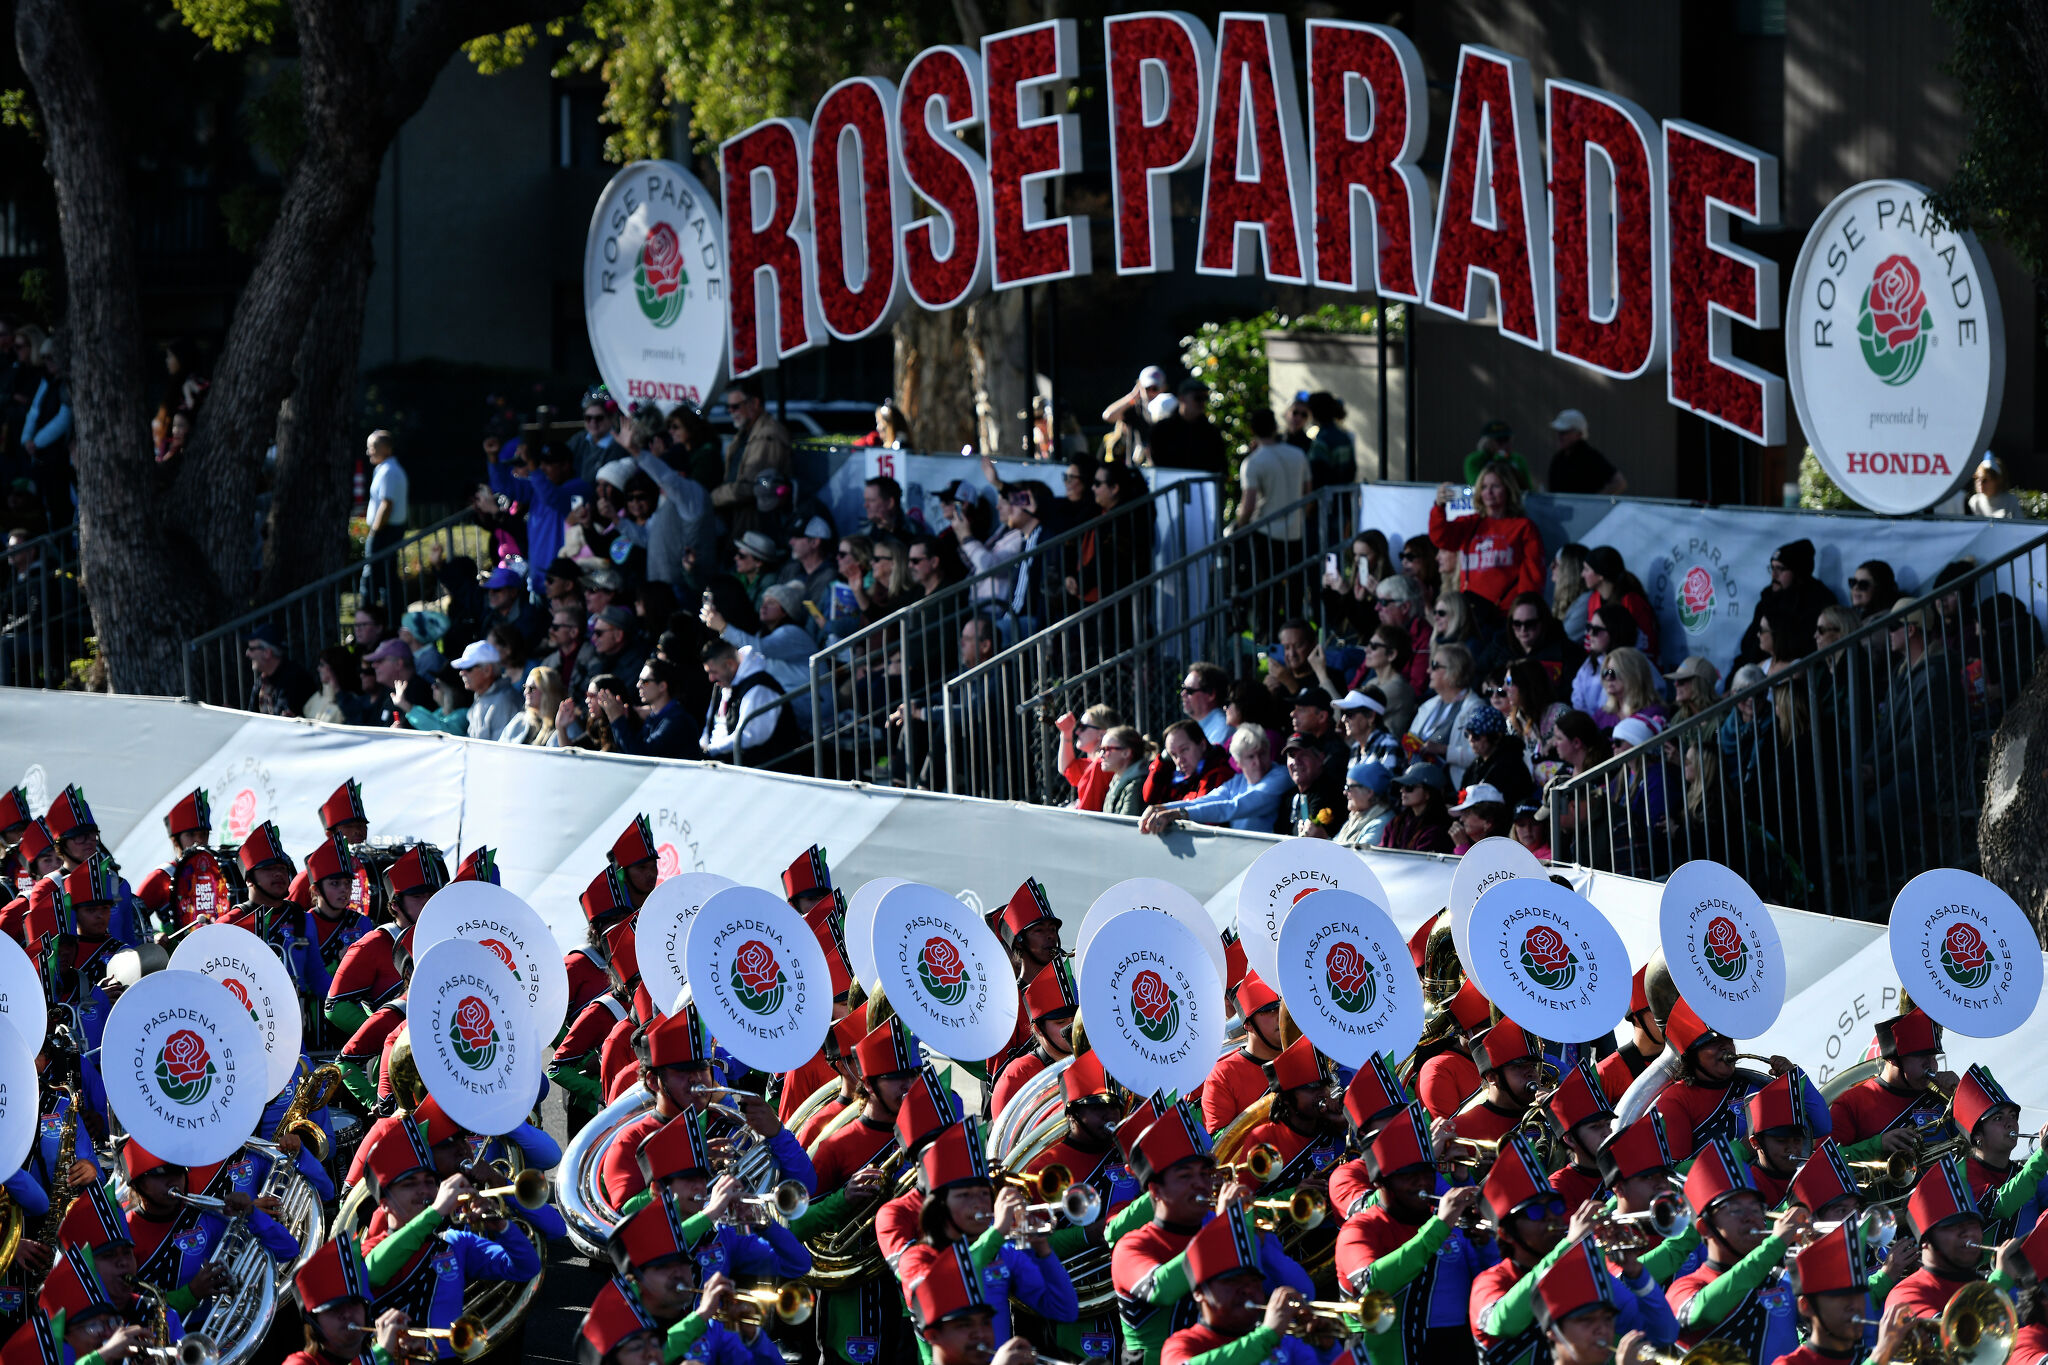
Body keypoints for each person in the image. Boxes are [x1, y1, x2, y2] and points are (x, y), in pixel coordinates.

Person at [1111, 1099, 1314, 1365]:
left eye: (1205, 1174)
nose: (1201, 1185)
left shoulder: (1221, 1224)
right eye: (1185, 1176)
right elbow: (1162, 1289)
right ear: (1156, 1191)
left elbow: (1303, 1290)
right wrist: (1224, 1230)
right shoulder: (1131, 1247)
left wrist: (1251, 1235)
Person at [1141, 723, 1291, 835]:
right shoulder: (1237, 782)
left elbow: (1232, 807)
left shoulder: (1282, 775)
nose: (1257, 762)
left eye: (1262, 754)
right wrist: (1163, 808)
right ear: (1238, 762)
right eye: (1250, 757)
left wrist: (1179, 813)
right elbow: (1205, 801)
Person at [1429, 466, 1544, 610]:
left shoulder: (1524, 527)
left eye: (1495, 486)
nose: (1488, 492)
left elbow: (1533, 575)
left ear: (1508, 489)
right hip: (1472, 612)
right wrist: (1439, 507)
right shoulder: (1469, 523)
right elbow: (1440, 538)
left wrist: (1523, 609)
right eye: (1483, 487)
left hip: (1505, 614)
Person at [1737, 541, 1837, 673]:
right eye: (1772, 568)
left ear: (1798, 572)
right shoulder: (1767, 599)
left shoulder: (1819, 601)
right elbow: (1750, 645)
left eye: (1780, 569)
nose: (1774, 575)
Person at [699, 637, 798, 764]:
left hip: (765, 768)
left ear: (730, 664)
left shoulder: (759, 687)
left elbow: (749, 736)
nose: (711, 678)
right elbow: (711, 726)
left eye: (713, 672)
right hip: (726, 761)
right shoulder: (724, 683)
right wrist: (702, 748)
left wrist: (710, 751)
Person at [713, 380, 792, 538]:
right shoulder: (746, 433)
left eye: (735, 406)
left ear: (754, 403)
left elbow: (754, 486)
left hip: (757, 526)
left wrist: (713, 497)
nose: (731, 411)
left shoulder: (768, 435)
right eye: (728, 407)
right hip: (740, 522)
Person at [1410, 644, 1486, 785]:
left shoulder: (1475, 708)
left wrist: (1444, 750)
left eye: (1434, 665)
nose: (1428, 670)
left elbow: (1481, 755)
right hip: (1416, 782)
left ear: (1454, 672)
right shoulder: (1428, 705)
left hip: (1451, 787)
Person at [606, 657, 696, 759]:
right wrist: (623, 721)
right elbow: (631, 750)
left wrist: (617, 719)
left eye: (645, 682)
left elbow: (641, 756)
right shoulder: (655, 716)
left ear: (662, 686)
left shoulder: (677, 720)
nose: (638, 685)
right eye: (639, 680)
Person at [360, 430, 409, 605]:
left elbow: (387, 504)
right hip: (386, 530)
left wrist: (374, 531)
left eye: (372, 447)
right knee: (386, 578)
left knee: (372, 577)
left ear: (385, 448)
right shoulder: (386, 469)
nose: (368, 452)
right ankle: (383, 622)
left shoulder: (389, 471)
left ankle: (369, 622)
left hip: (385, 532)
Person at [1582, 548, 1658, 657]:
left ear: (1600, 575)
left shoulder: (1631, 601)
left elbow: (1646, 648)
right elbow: (1590, 645)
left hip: (1627, 667)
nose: (1582, 574)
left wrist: (1609, 670)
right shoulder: (1594, 599)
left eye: (1586, 569)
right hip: (1602, 665)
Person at [1148, 379, 1227, 473]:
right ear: (1181, 398)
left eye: (1205, 398)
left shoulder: (1211, 433)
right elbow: (1158, 466)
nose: (1202, 403)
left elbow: (1221, 467)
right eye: (1197, 398)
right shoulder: (1162, 430)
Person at [451, 640, 519, 741]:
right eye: (461, 668)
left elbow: (500, 752)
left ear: (487, 670)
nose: (462, 673)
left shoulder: (504, 701)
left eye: (468, 668)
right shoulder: (481, 696)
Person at [1546, 410, 1626, 495]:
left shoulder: (1590, 457)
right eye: (1559, 432)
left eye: (1564, 432)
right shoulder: (1558, 459)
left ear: (1578, 434)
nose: (1560, 436)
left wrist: (1595, 502)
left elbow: (1620, 482)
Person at [245, 622, 317, 716]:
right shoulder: (263, 680)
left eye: (251, 649)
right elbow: (251, 716)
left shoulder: (295, 679)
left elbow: (282, 722)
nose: (247, 653)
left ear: (267, 653)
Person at [1380, 763, 1454, 852]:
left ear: (1428, 793)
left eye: (1409, 787)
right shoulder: (1397, 823)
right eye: (1402, 786)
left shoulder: (1437, 830)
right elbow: (1381, 850)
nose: (1402, 791)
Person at [1595, 648, 1667, 733]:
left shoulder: (1654, 714)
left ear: (1633, 674)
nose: (1608, 678)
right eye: (1606, 672)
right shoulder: (1601, 715)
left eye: (1613, 672)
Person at [1336, 760, 1398, 849]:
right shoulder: (1356, 817)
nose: (1345, 792)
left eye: (1349, 787)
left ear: (1369, 792)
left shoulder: (1381, 824)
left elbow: (1357, 859)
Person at [1305, 391, 1357, 487]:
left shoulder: (1321, 441)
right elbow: (1352, 470)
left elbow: (1317, 475)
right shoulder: (1344, 436)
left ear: (1314, 412)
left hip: (1327, 498)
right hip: (1343, 496)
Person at [1098, 726, 1153, 817]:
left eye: (1106, 749)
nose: (1101, 755)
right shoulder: (1117, 781)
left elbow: (1125, 827)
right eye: (1101, 749)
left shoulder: (1137, 786)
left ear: (1126, 753)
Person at [1968, 453, 2023, 518]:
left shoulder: (2011, 501)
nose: (1979, 483)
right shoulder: (1974, 501)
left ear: (1998, 480)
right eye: (1977, 478)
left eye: (1985, 480)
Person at [1666, 658, 1720, 722]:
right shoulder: (1678, 719)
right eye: (1676, 680)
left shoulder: (1722, 716)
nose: (1675, 684)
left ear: (1699, 684)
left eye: (1681, 680)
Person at [861, 475, 913, 541]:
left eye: (871, 500)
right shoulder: (862, 532)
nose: (865, 505)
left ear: (890, 503)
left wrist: (893, 530)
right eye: (866, 500)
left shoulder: (914, 531)